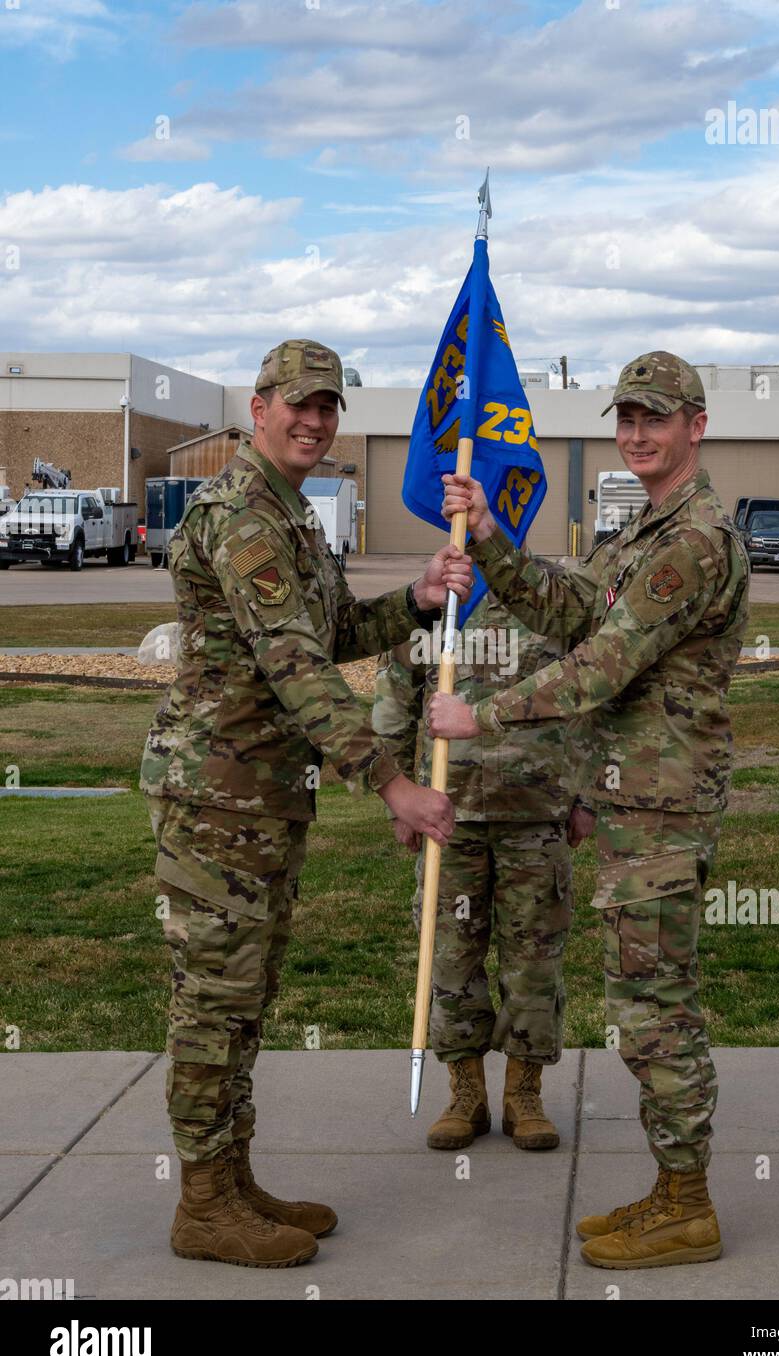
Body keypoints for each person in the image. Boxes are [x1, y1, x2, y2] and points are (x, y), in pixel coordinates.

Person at [140, 338, 472, 1268]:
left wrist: (413, 596)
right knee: (212, 1001)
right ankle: (202, 1203)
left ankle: (232, 1178)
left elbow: (326, 634)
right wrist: (395, 784)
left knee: (244, 995)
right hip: (217, 799)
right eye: (299, 404)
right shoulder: (242, 514)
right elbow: (296, 671)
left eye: (328, 408)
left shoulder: (290, 513)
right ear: (257, 407)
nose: (315, 422)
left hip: (259, 799)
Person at [429, 351, 750, 1270]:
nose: (638, 434)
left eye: (656, 418)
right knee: (643, 999)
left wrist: (477, 713)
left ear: (696, 426)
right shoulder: (641, 529)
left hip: (662, 807)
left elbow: (605, 662)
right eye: (627, 419)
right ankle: (670, 1190)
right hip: (629, 804)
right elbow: (572, 610)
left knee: (656, 1009)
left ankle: (688, 1205)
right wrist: (490, 539)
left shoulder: (694, 540)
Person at [373, 592, 596, 1152]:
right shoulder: (436, 603)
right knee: (450, 954)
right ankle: (464, 1092)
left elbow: (596, 697)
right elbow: (396, 703)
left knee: (534, 958)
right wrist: (399, 797)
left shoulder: (550, 602)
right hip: (450, 813)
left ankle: (525, 1093)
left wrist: (590, 795)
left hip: (537, 811)